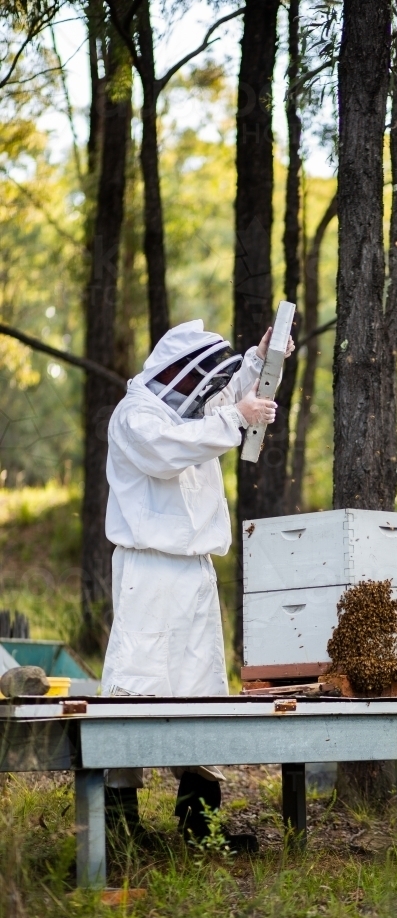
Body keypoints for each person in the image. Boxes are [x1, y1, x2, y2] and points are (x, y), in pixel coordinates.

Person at [102, 318, 294, 850]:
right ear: (176, 374)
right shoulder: (136, 416)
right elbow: (171, 448)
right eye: (200, 382)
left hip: (195, 572)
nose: (206, 393)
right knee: (135, 687)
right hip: (148, 570)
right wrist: (237, 413)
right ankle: (118, 826)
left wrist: (258, 360)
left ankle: (199, 827)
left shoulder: (196, 408)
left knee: (201, 687)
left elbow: (227, 399)